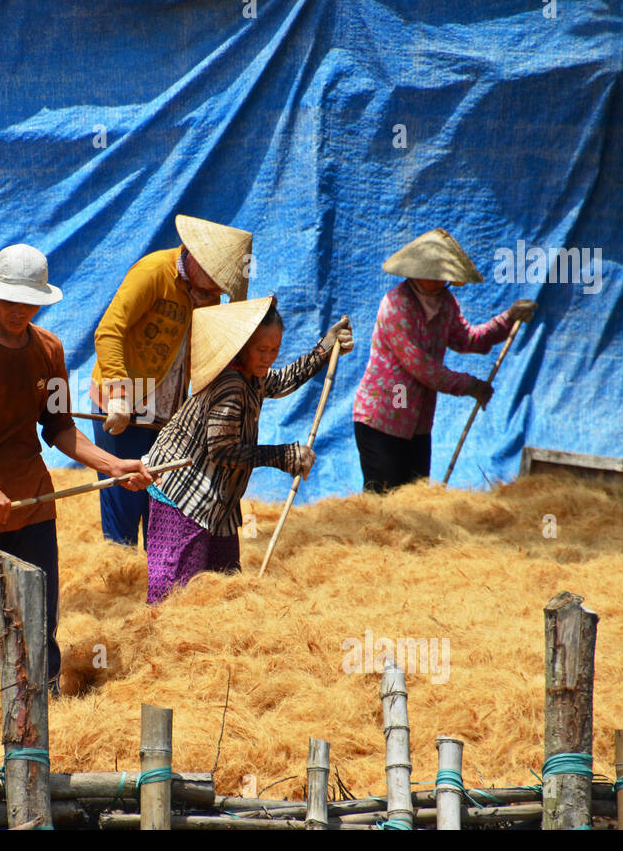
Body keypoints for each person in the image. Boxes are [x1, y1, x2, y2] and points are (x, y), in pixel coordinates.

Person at [0, 244, 154, 713]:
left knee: (39, 622)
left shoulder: (49, 351)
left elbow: (60, 426)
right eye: (9, 299)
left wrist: (113, 466)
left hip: (32, 507)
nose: (19, 309)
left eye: (29, 301)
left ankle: (38, 722)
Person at [142, 296, 354, 605]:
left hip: (216, 501)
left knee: (224, 587)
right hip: (183, 495)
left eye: (274, 350)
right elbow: (222, 450)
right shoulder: (230, 386)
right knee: (178, 596)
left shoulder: (252, 376)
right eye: (261, 350)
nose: (268, 358)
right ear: (242, 346)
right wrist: (283, 456)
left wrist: (325, 348)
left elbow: (279, 381)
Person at [89, 215, 253, 546]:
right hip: (125, 411)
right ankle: (119, 582)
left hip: (169, 417)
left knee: (163, 502)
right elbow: (109, 330)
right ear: (195, 258)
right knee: (124, 494)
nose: (218, 291)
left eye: (222, 286)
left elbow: (212, 354)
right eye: (215, 281)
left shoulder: (209, 294)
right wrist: (119, 395)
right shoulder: (154, 273)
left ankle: (158, 582)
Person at [352, 228, 537, 492]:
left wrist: (508, 319)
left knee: (415, 498)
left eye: (444, 277)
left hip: (417, 424)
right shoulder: (396, 304)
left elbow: (469, 339)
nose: (440, 282)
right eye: (434, 276)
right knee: (384, 498)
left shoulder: (446, 303)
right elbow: (422, 368)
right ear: (416, 273)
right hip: (382, 418)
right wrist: (471, 385)